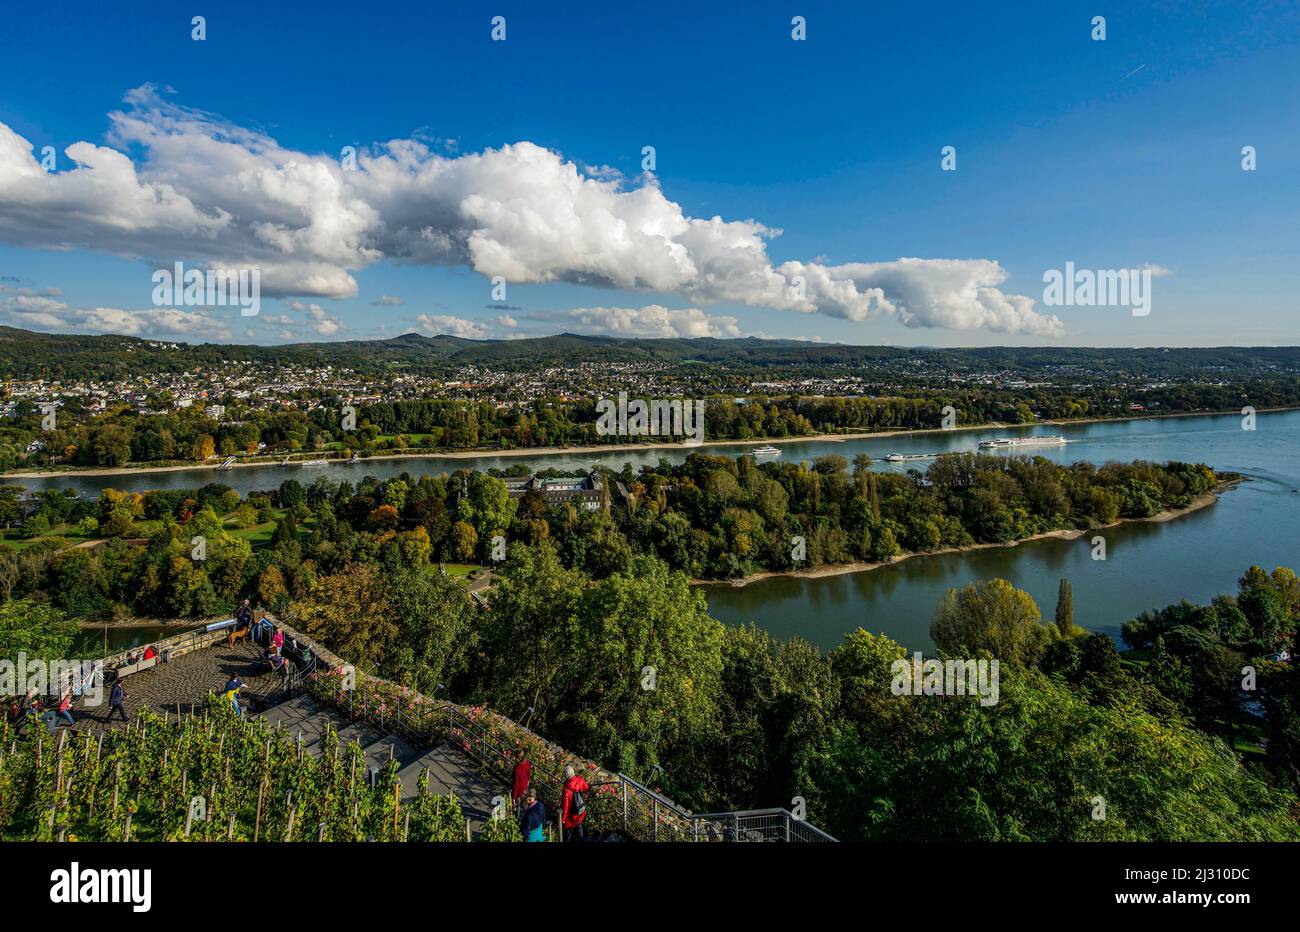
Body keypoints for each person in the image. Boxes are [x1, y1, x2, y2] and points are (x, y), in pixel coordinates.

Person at [561, 764, 589, 843]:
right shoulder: (580, 780)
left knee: (567, 830)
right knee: (579, 826)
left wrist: (563, 819)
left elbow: (566, 807)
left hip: (571, 814)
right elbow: (586, 788)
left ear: (566, 775)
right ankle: (581, 839)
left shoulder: (566, 790)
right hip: (580, 809)